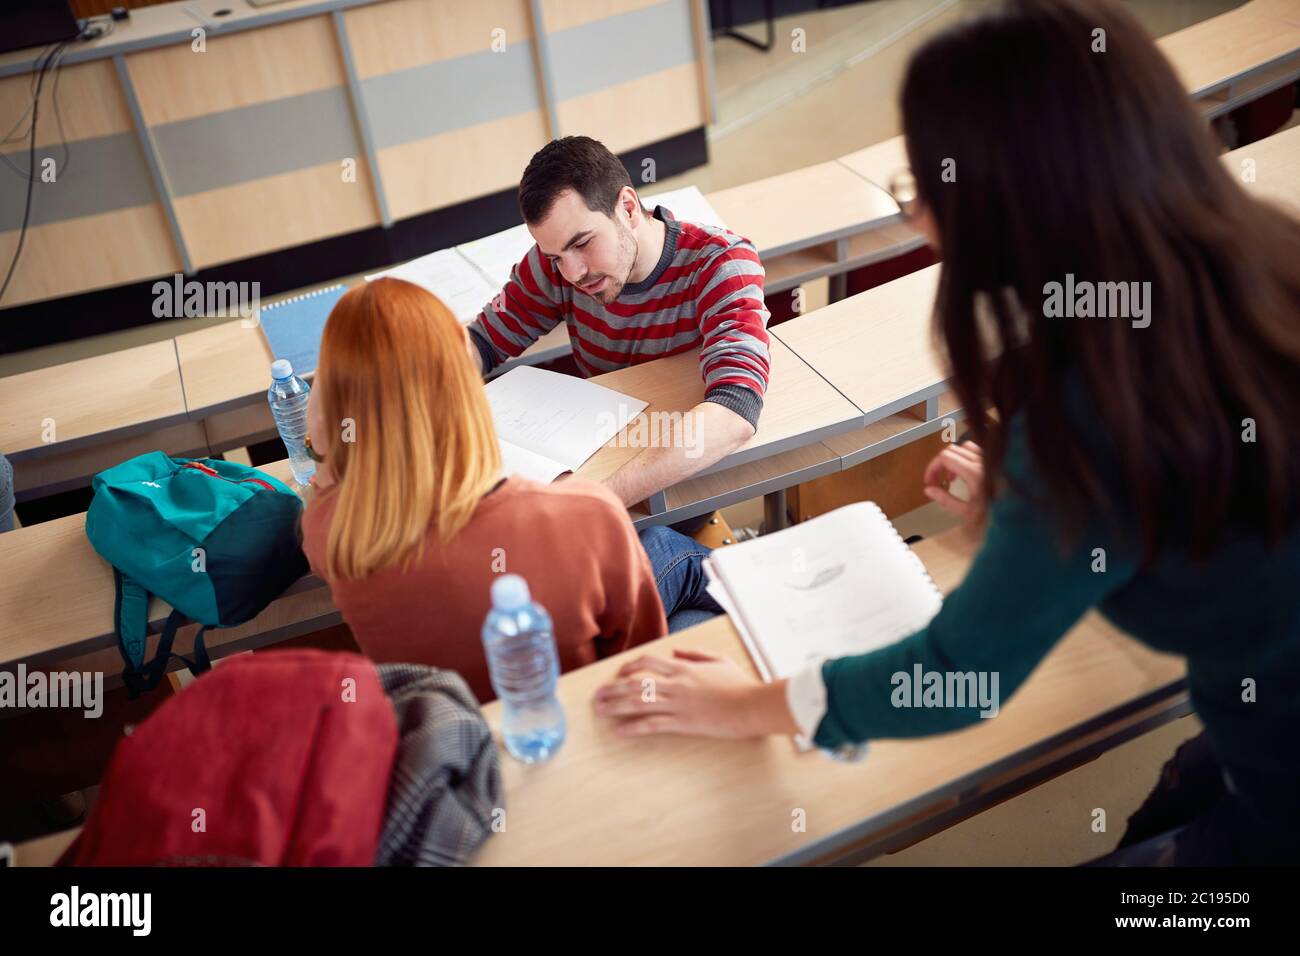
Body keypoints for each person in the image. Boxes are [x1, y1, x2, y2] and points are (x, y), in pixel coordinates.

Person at [593, 0, 1300, 865]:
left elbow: (960, 677)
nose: (918, 218)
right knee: (1176, 795)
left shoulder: (1095, 401)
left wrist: (746, 704)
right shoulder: (1270, 260)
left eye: (929, 185)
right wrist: (1046, 509)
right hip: (1249, 734)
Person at [300, 278, 668, 703]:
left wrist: (323, 432)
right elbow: (642, 663)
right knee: (677, 556)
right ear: (463, 372)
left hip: (459, 736)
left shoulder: (331, 533)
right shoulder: (589, 514)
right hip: (577, 724)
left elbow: (329, 472)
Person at [467, 135, 771, 510]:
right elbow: (482, 341)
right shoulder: (556, 264)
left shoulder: (721, 263)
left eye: (582, 244)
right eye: (557, 255)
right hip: (593, 462)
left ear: (627, 208)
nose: (573, 272)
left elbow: (734, 411)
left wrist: (597, 503)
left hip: (675, 480)